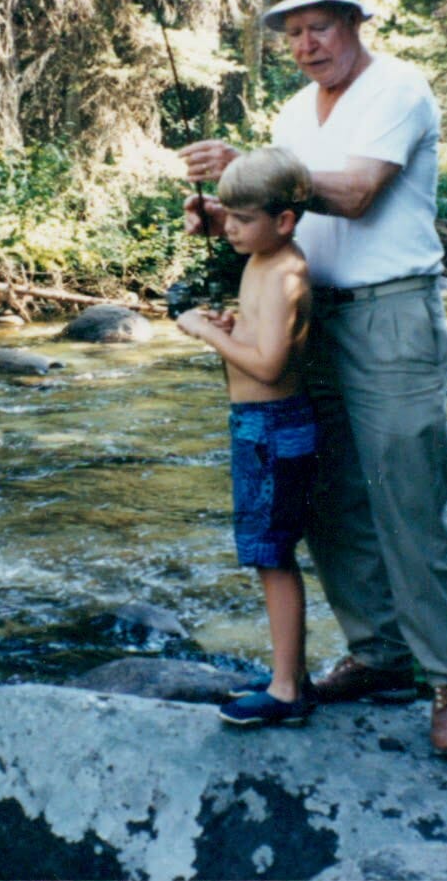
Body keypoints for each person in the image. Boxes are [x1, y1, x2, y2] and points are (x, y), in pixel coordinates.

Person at [180, 0, 447, 758]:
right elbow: (289, 214)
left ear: (354, 22)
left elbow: (353, 193)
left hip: (392, 316)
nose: (308, 43)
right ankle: (379, 653)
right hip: (310, 318)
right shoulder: (288, 115)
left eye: (321, 26)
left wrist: (253, 170)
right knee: (318, 495)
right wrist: (229, 217)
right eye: (294, 32)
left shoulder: (400, 89)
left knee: (406, 493)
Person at [173, 146, 318, 728]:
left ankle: (287, 691)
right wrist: (233, 325)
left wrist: (205, 333)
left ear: (283, 221)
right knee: (267, 554)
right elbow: (259, 340)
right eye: (224, 215)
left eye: (242, 218)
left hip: (274, 429)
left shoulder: (286, 272)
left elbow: (268, 367)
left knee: (273, 556)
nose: (227, 227)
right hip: (257, 427)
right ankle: (291, 676)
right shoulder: (261, 261)